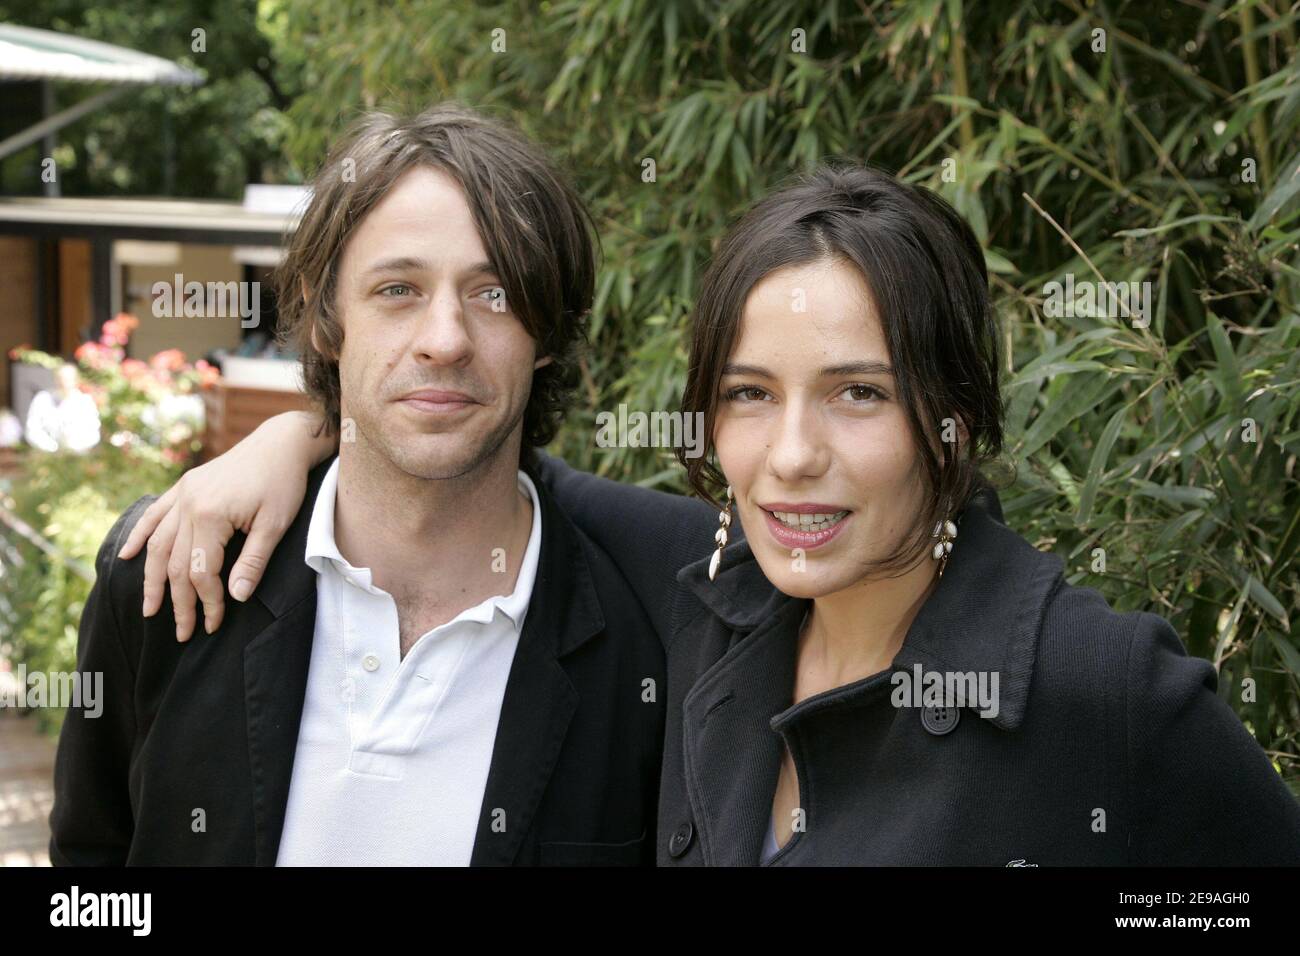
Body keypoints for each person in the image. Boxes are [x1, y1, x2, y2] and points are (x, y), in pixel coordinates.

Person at [122, 164, 1300, 866]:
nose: (791, 457)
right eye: (748, 396)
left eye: (858, 392)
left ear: (950, 412)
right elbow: (460, 461)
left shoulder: (1101, 687)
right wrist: (305, 435)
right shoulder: (711, 605)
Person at [48, 104, 665, 866]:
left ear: (547, 335)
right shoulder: (171, 575)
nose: (445, 340)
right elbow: (88, 869)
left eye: (495, 293)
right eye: (398, 289)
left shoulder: (652, 650)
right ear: (323, 316)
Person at [24, 363, 100, 453]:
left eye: (68, 379)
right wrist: (53, 448)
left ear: (76, 380)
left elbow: (93, 432)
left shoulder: (85, 402)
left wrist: (73, 448)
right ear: (55, 379)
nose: (63, 382)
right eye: (60, 378)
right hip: (48, 457)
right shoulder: (42, 399)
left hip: (79, 457)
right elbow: (32, 429)